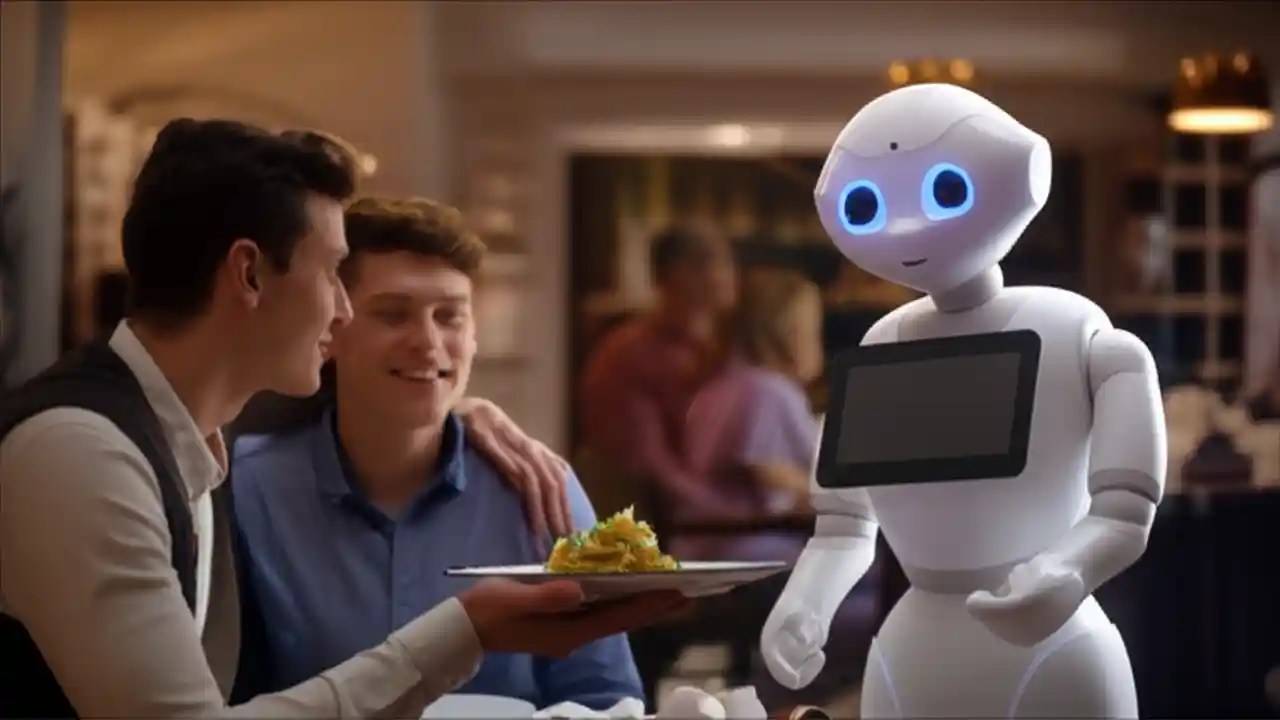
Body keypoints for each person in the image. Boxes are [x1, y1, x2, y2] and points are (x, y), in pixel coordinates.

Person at [0, 118, 688, 719]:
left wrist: (453, 412)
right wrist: (466, 630)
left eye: (450, 317)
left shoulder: (191, 449)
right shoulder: (81, 454)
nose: (342, 309)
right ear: (249, 275)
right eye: (332, 273)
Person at [230, 195, 644, 709]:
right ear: (332, 329)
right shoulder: (250, 489)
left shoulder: (538, 488)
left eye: (450, 317)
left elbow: (606, 698)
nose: (427, 343)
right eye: (393, 315)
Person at [577, 223, 739, 520]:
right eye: (722, 264)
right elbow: (647, 466)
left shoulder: (723, 350)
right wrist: (727, 511)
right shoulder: (630, 355)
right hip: (664, 524)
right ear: (681, 275)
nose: (732, 277)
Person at [681, 268, 824, 559]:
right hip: (751, 548)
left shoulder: (715, 389)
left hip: (701, 545)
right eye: (813, 329)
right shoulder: (769, 391)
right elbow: (771, 475)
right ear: (786, 334)